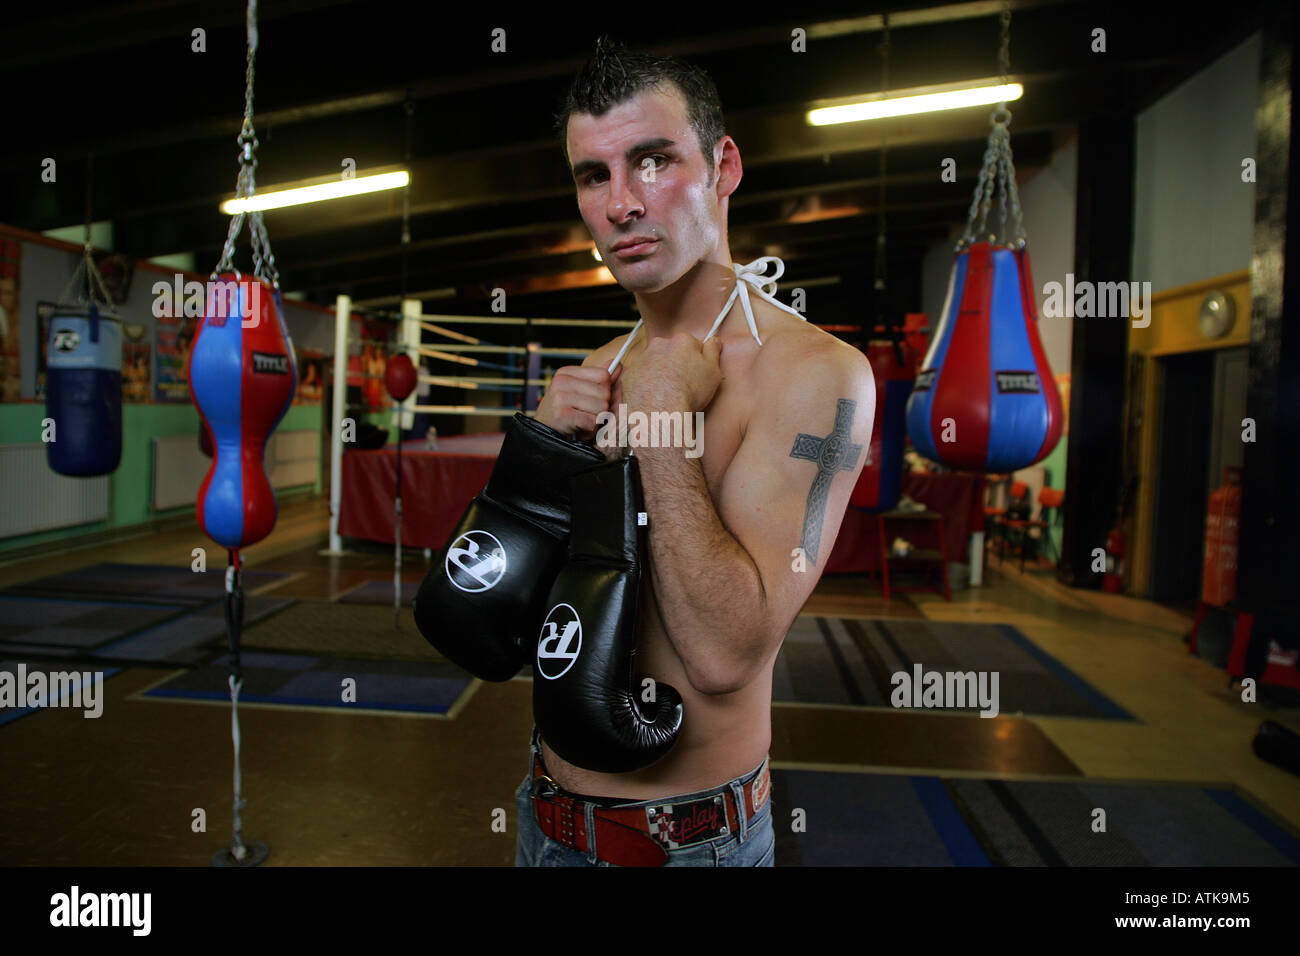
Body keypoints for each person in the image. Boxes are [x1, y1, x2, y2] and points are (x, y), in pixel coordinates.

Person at [517, 37, 875, 867]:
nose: (621, 204)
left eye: (651, 160)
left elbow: (722, 654)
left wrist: (661, 426)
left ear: (724, 167)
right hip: (544, 819)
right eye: (593, 175)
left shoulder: (821, 376)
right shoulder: (598, 371)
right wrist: (537, 460)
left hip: (686, 844)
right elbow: (515, 628)